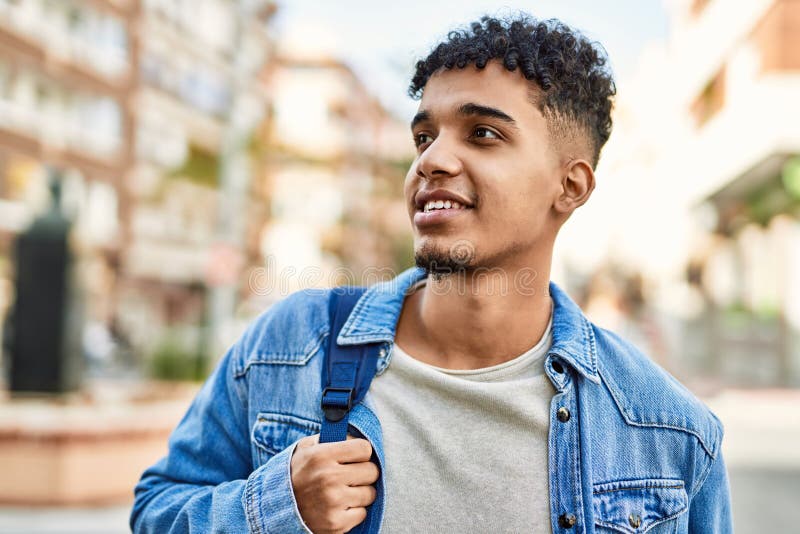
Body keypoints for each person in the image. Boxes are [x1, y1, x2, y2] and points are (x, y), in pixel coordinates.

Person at [131, 13, 733, 534]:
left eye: (483, 134)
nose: (432, 160)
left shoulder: (670, 434)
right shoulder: (289, 346)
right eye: (424, 136)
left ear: (570, 186)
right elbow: (156, 511)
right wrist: (278, 508)